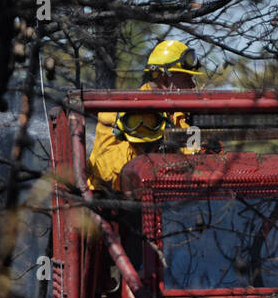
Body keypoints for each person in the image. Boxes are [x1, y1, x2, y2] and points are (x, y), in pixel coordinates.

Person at [86, 39, 204, 190]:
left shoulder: (185, 117)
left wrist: (208, 152)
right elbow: (106, 173)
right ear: (165, 79)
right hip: (116, 204)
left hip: (172, 200)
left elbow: (201, 166)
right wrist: (146, 147)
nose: (193, 86)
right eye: (187, 79)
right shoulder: (116, 112)